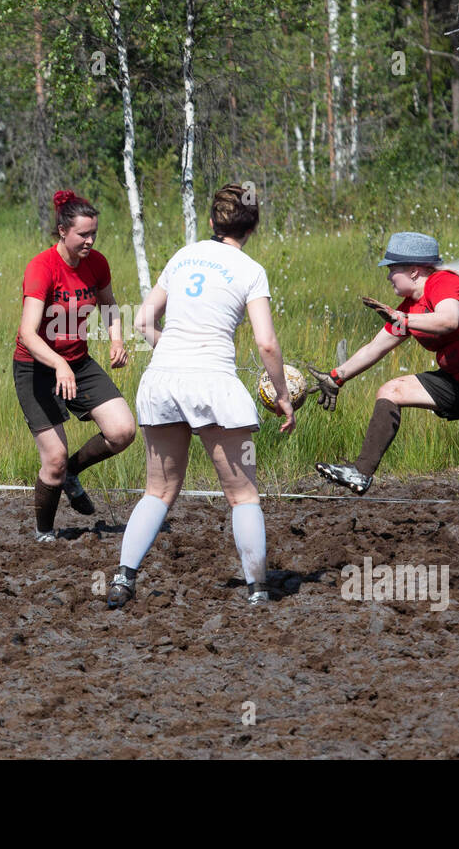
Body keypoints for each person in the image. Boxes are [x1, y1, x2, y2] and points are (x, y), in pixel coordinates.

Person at [106, 184, 295, 610]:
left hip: (163, 381)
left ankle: (122, 579)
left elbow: (141, 321)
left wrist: (173, 349)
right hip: (214, 386)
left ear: (212, 222)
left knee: (157, 490)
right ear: (253, 227)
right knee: (243, 495)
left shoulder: (182, 256)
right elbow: (266, 344)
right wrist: (282, 394)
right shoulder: (250, 270)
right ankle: (258, 590)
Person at [310, 230, 459, 534]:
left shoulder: (444, 282)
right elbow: (375, 347)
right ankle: (361, 473)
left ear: (414, 270)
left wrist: (404, 320)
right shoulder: (409, 309)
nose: (388, 277)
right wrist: (336, 377)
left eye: (392, 269)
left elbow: (448, 319)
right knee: (391, 390)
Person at [14, 189, 136, 542]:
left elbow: (109, 306)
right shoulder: (42, 268)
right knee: (53, 459)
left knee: (122, 431)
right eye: (83, 234)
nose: (90, 240)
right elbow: (27, 333)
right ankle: (44, 532)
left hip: (78, 362)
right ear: (62, 231)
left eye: (94, 233)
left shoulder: (96, 263)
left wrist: (116, 340)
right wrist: (58, 365)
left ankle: (73, 473)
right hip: (36, 366)